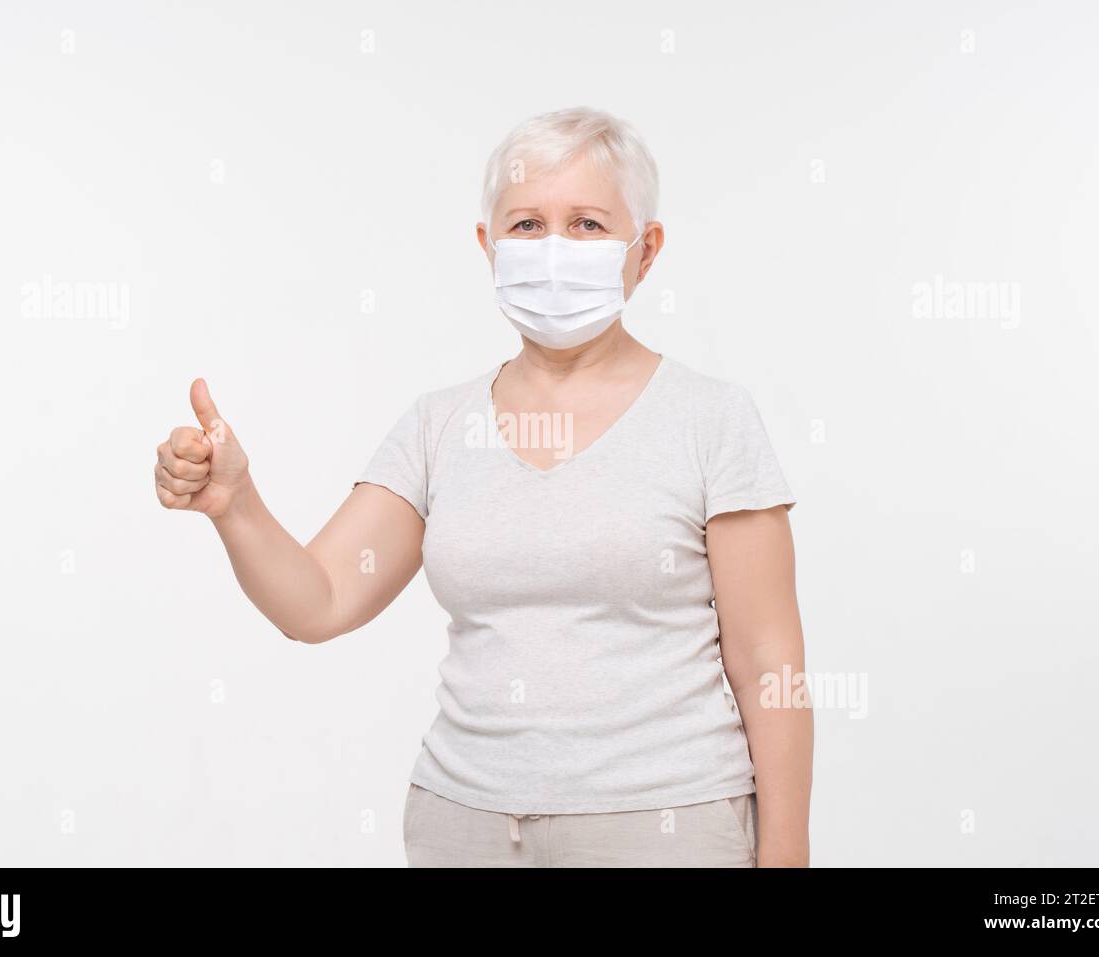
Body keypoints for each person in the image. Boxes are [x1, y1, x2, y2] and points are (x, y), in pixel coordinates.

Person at [153, 107, 812, 867]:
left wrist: (786, 854)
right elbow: (320, 600)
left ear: (646, 249)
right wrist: (236, 506)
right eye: (527, 224)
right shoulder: (439, 426)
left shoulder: (710, 419)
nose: (554, 249)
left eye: (589, 224)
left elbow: (769, 660)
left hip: (663, 826)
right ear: (488, 246)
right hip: (462, 827)